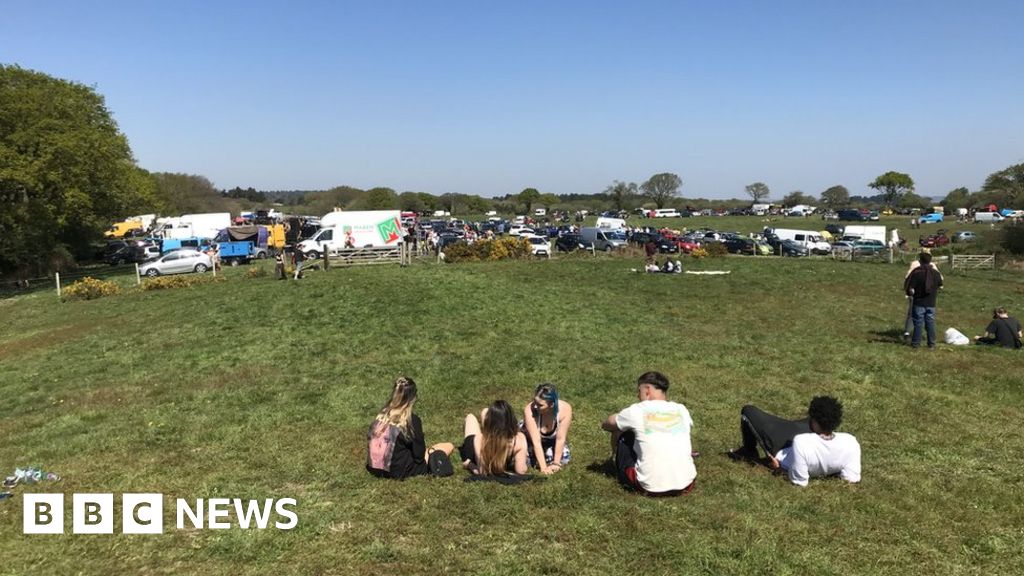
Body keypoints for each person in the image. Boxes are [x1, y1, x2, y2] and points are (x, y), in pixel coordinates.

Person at [729, 396, 861, 488]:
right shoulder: (851, 442)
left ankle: (749, 451)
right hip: (807, 439)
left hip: (783, 446)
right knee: (801, 424)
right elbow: (851, 478)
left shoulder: (801, 442)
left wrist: (777, 468)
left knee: (748, 410)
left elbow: (799, 481)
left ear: (815, 421)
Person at [601, 371, 697, 496]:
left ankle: (615, 464)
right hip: (687, 484)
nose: (637, 395)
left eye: (638, 391)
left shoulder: (637, 410)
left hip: (648, 487)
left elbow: (608, 424)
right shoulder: (681, 409)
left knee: (622, 432)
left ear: (647, 390)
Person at [366, 377, 455, 480]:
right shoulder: (411, 421)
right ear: (413, 397)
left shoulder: (381, 415)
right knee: (448, 446)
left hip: (374, 468)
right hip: (398, 471)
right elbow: (419, 456)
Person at [459, 400, 529, 476]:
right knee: (484, 411)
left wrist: (469, 465)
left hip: (479, 445)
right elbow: (521, 471)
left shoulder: (479, 439)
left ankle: (488, 423)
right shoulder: (519, 439)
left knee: (470, 417)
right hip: (493, 442)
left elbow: (482, 472)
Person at [521, 384, 573, 475]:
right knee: (526, 460)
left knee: (564, 459)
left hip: (551, 441)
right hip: (530, 440)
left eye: (540, 405)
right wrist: (544, 468)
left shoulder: (565, 410)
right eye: (535, 402)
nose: (536, 407)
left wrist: (556, 464)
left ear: (551, 405)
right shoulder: (529, 410)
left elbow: (560, 439)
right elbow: (536, 442)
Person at [904, 251, 943, 348]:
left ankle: (916, 343)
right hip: (931, 302)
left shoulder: (917, 273)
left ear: (920, 261)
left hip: (919, 301)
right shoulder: (935, 273)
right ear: (930, 261)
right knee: (930, 323)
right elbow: (940, 285)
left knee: (918, 323)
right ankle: (932, 344)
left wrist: (911, 293)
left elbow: (911, 288)